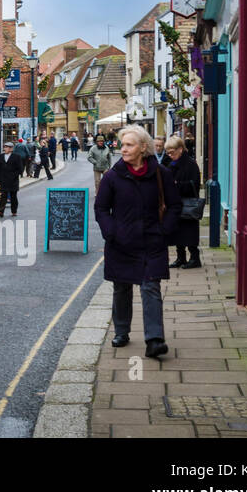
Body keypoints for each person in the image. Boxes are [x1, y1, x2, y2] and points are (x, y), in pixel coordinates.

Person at [95, 125, 180, 358]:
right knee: (121, 287)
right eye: (122, 145)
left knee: (150, 287)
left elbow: (174, 206)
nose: (123, 149)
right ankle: (122, 330)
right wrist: (111, 232)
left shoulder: (162, 174)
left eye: (129, 145)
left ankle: (154, 339)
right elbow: (101, 208)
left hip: (152, 241)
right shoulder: (113, 176)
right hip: (121, 242)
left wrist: (164, 230)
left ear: (143, 148)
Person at [166, 136, 202, 269]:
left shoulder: (191, 164)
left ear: (180, 149)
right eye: (168, 153)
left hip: (188, 204)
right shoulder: (172, 165)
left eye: (172, 152)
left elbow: (195, 185)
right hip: (175, 204)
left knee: (190, 232)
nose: (170, 155)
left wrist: (177, 184)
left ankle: (194, 258)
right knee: (177, 232)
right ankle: (181, 258)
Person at [0, 141, 21, 217]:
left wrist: (14, 176)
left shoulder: (17, 157)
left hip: (13, 180)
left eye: (6, 147)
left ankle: (14, 211)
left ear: (11, 149)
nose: (4, 148)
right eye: (4, 147)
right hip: (4, 180)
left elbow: (20, 169)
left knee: (13, 197)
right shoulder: (1, 156)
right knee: (3, 196)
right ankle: (0, 211)